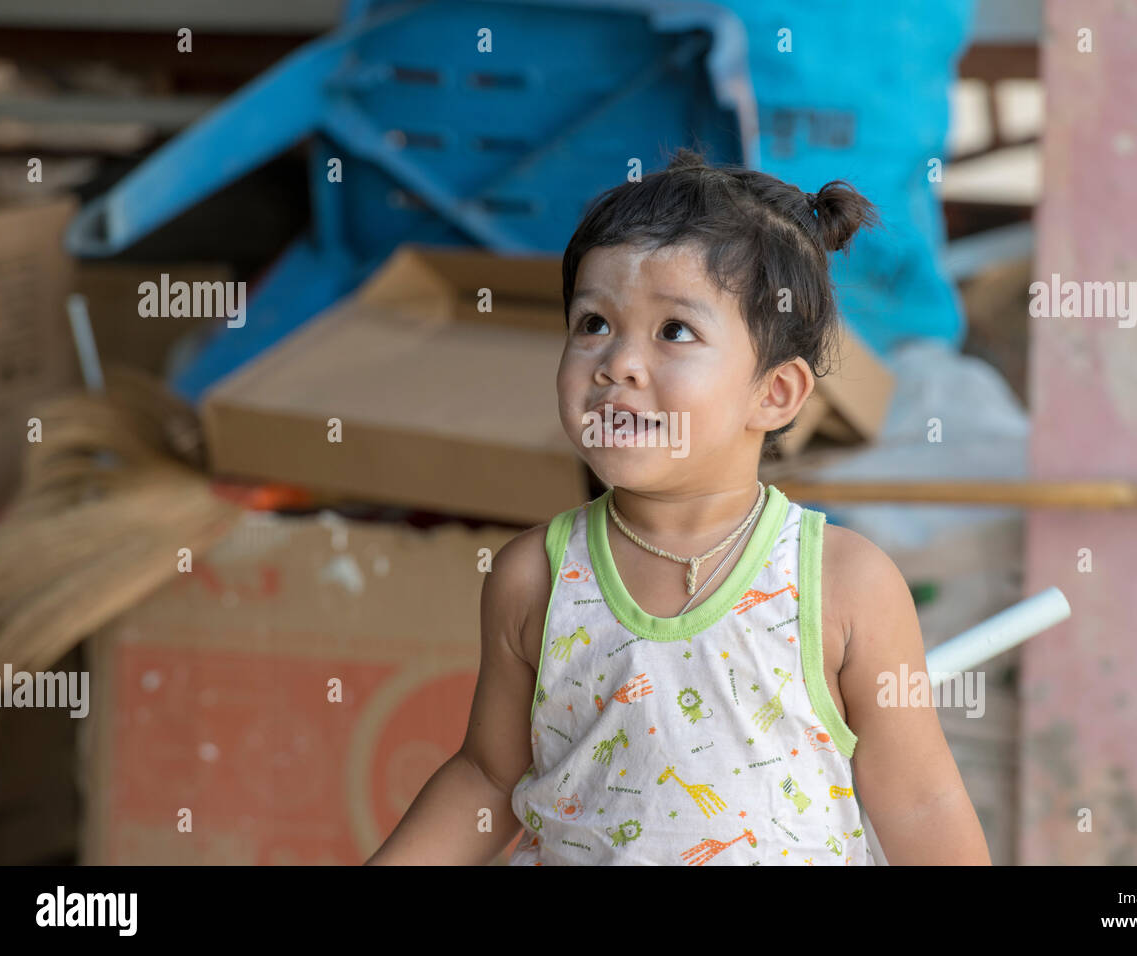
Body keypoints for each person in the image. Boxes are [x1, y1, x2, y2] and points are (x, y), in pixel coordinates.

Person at [367, 147, 991, 865]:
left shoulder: (845, 585)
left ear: (775, 393)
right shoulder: (534, 579)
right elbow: (486, 777)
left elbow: (920, 799)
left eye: (673, 331)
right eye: (593, 323)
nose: (616, 364)